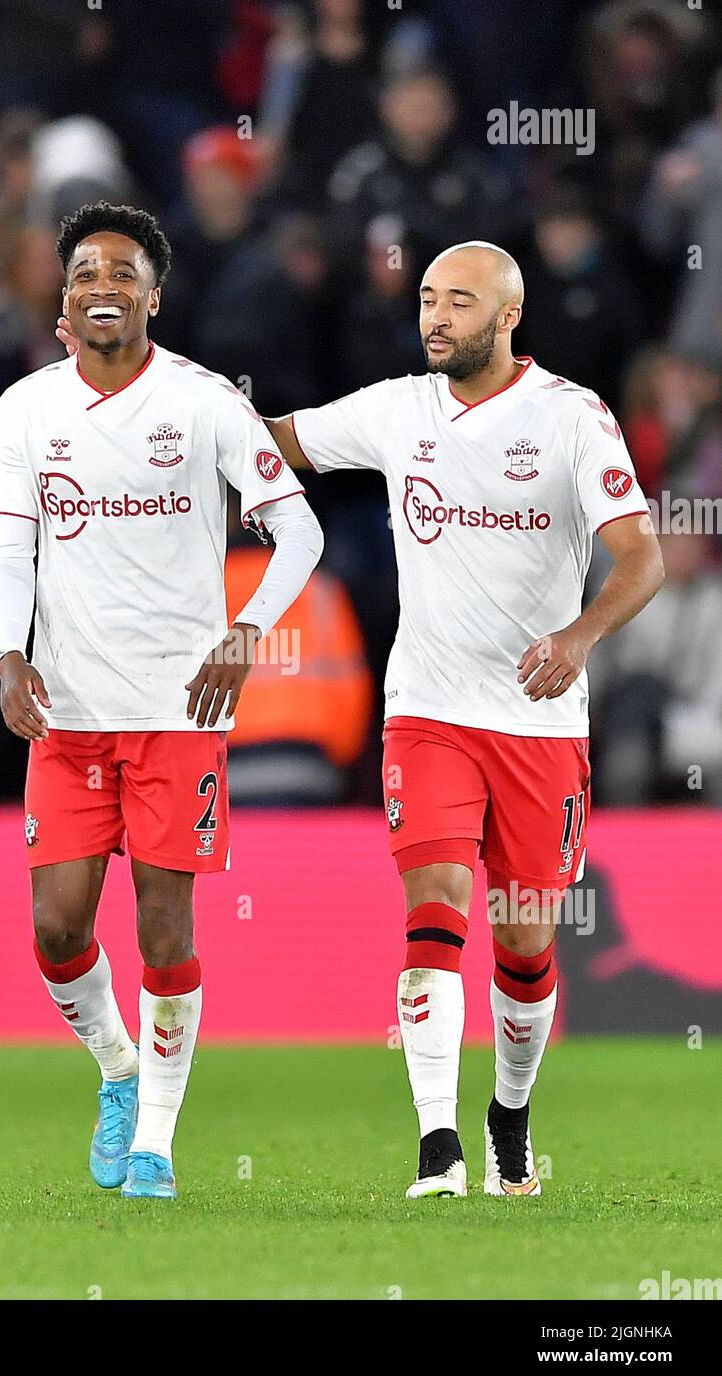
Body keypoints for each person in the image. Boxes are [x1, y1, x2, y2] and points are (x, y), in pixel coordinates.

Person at [263, 241, 664, 1198]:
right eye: (428, 300)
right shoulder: (398, 410)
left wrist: (576, 636)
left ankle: (508, 1115)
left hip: (538, 725)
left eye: (457, 302)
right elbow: (273, 438)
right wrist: (166, 402)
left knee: (524, 941)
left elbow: (638, 556)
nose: (434, 317)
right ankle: (436, 1143)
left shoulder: (570, 418)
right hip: (429, 713)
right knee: (434, 899)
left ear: (507, 315)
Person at [0, 201, 323, 1200]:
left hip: (179, 716)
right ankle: (119, 1072)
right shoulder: (25, 410)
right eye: (85, 270)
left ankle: (156, 1146)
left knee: (166, 935)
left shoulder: (205, 401)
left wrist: (244, 630)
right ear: (62, 293)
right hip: (69, 713)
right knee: (55, 930)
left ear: (153, 295)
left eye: (122, 272)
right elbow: (12, 549)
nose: (103, 285)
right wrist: (9, 656)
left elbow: (297, 533)